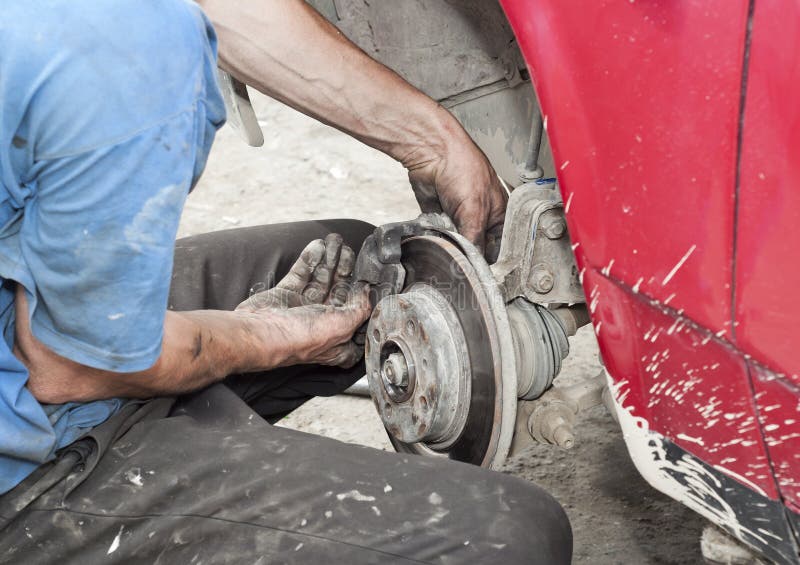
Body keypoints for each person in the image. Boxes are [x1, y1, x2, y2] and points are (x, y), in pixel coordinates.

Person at [0, 0, 571, 563]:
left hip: (23, 337)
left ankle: (186, 424)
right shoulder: (118, 56)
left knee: (358, 269)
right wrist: (265, 338)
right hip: (25, 463)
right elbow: (69, 366)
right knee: (511, 537)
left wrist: (434, 141)